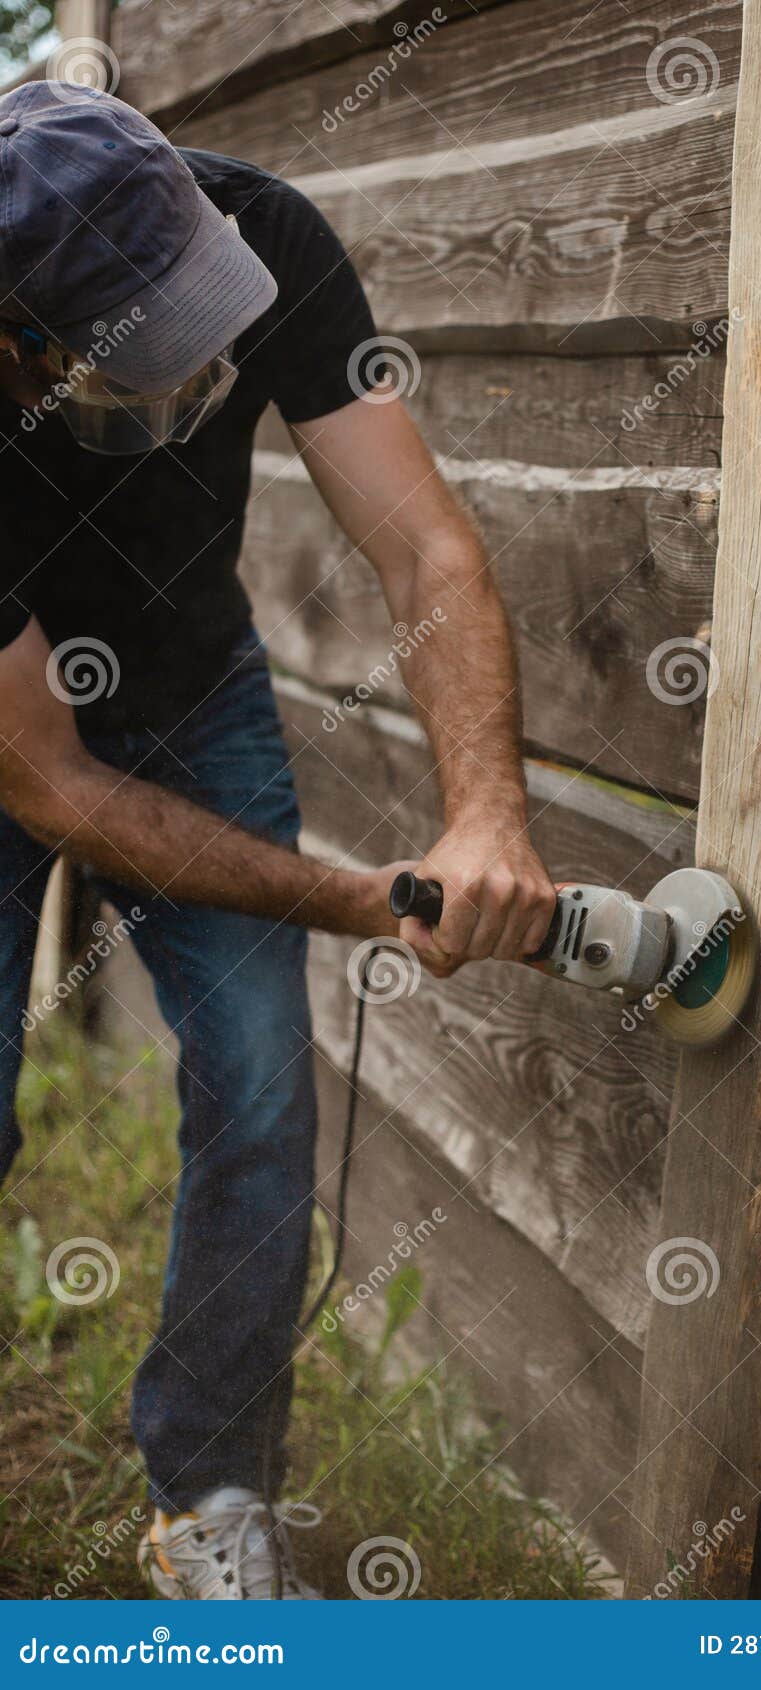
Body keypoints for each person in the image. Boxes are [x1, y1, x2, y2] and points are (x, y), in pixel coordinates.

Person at [0, 80, 556, 1599]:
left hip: (190, 680)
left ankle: (211, 1499)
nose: (206, 379)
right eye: (146, 377)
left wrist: (486, 814)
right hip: (10, 719)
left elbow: (422, 543)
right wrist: (363, 895)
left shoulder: (265, 233)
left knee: (257, 1081)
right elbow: (45, 779)